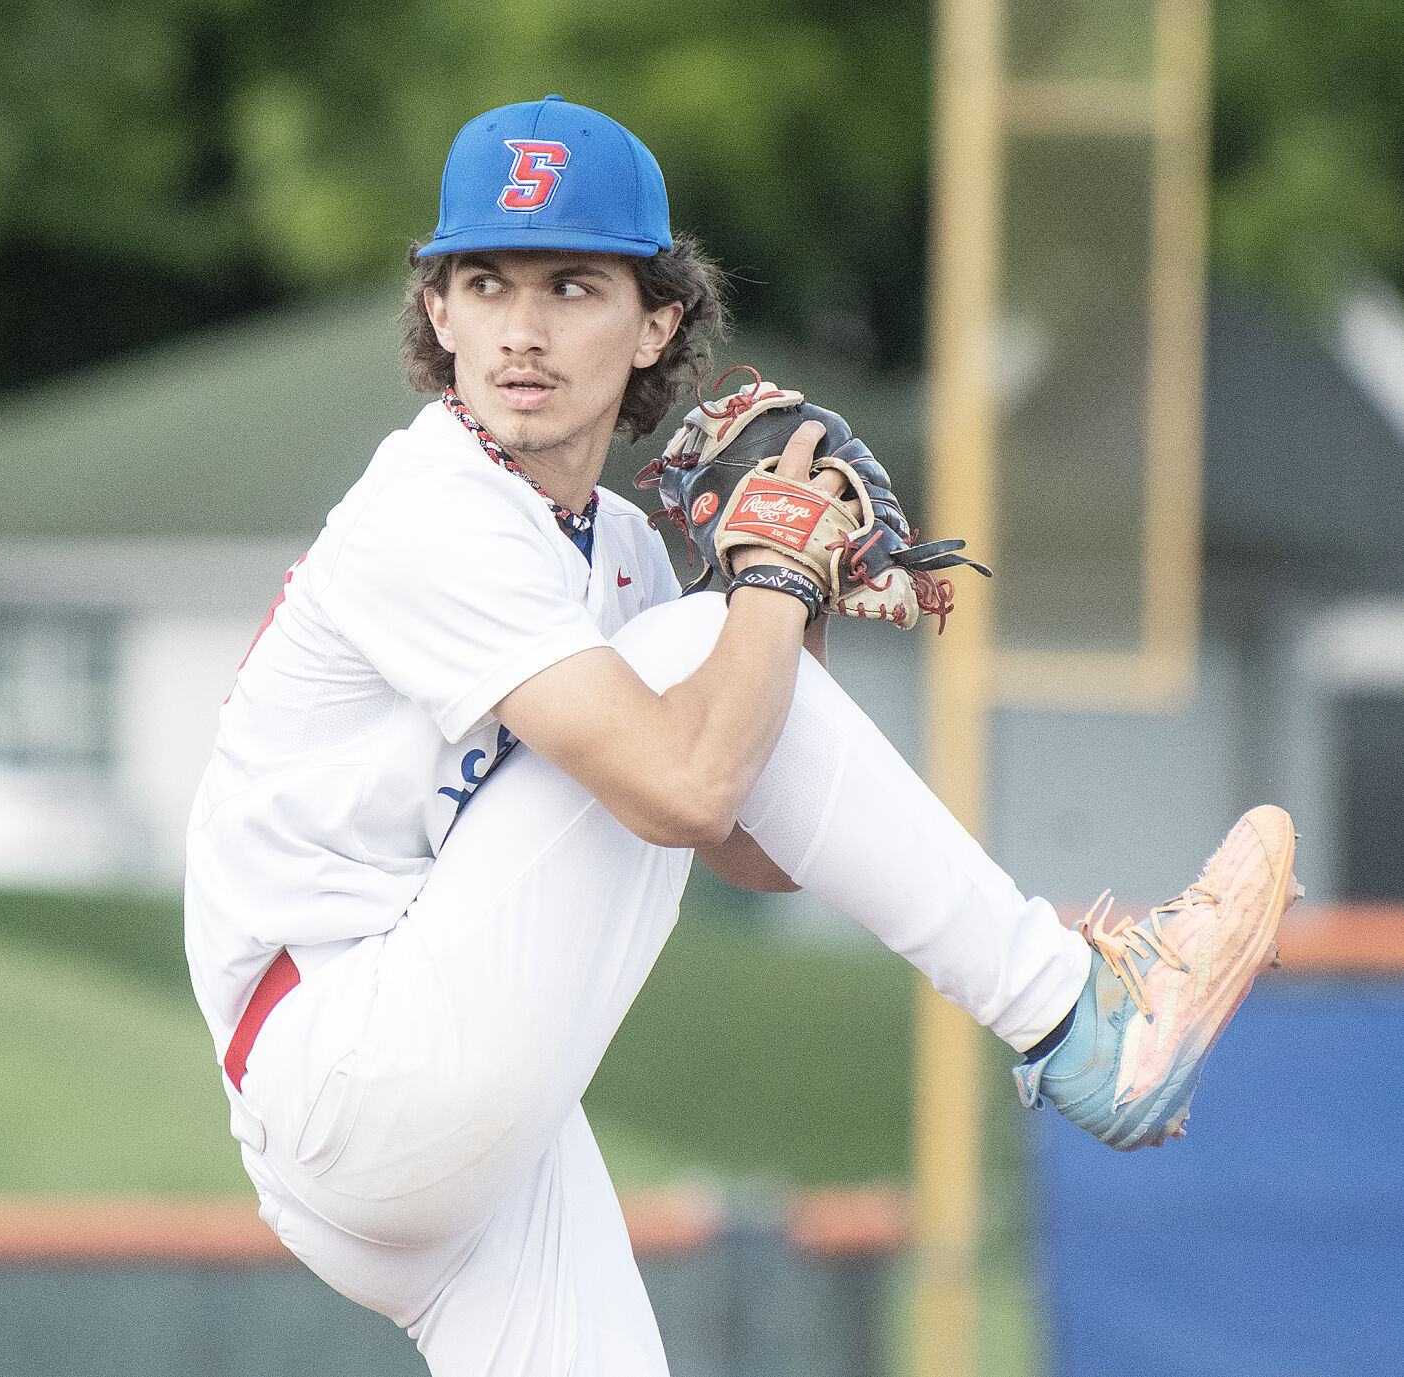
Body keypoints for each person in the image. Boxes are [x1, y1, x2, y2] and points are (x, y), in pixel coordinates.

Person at [184, 95, 1299, 1376]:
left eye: (572, 284)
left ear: (658, 321)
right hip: (349, 1063)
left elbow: (754, 838)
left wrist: (792, 609)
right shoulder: (431, 510)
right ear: (438, 312)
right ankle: (1072, 1012)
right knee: (686, 658)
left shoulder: (608, 548)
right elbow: (684, 789)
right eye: (483, 281)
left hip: (460, 1145)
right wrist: (766, 581)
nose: (522, 329)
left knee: (693, 656)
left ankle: (1074, 1015)